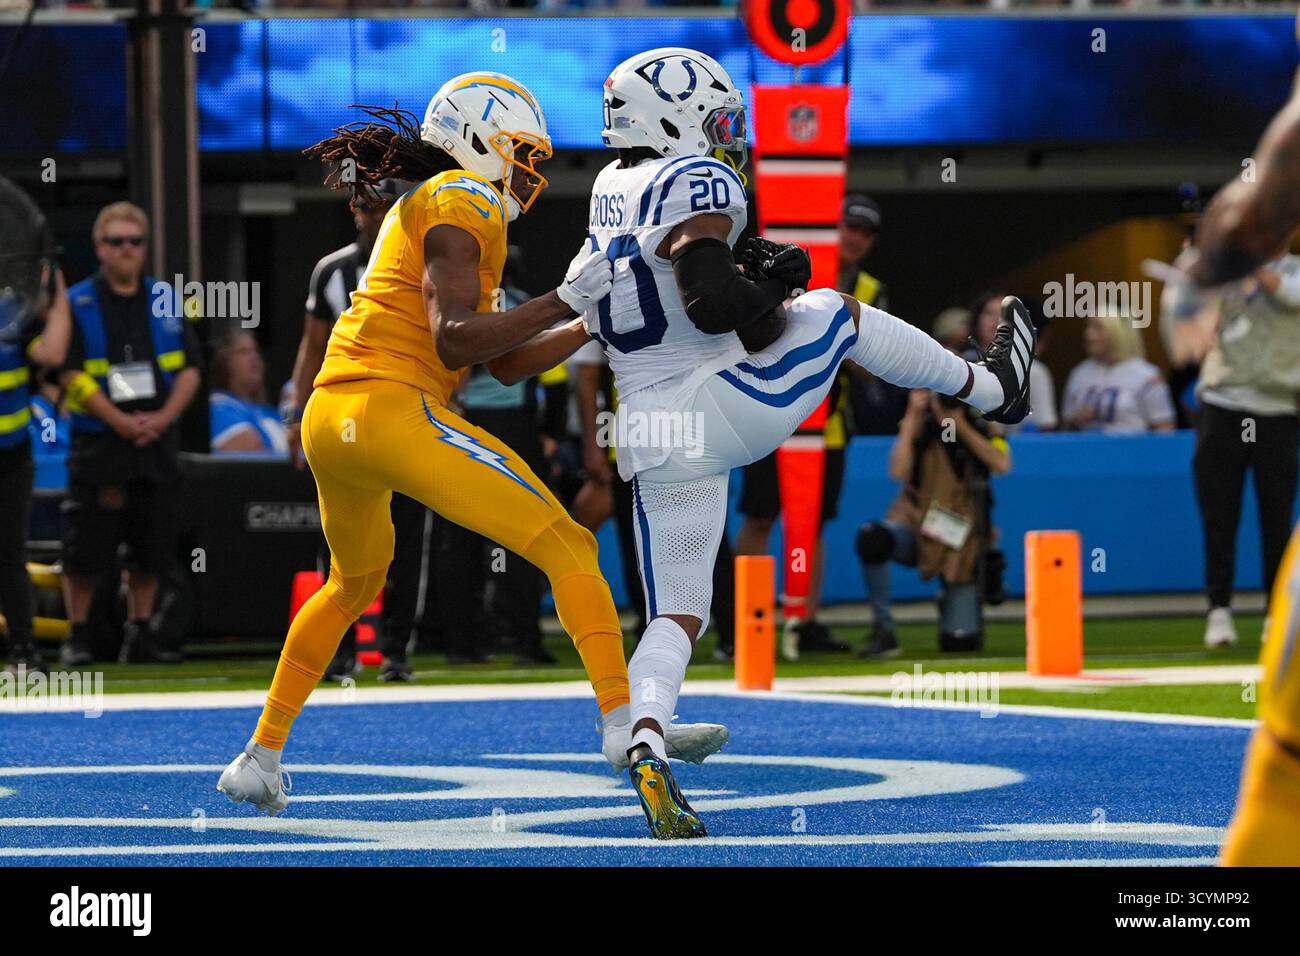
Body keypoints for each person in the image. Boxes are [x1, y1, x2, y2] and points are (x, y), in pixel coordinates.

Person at [506, 48, 1035, 838]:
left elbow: (536, 349)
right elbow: (722, 307)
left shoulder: (606, 202)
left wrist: (736, 285)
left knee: (676, 611)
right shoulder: (695, 183)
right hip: (719, 404)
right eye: (718, 121)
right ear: (675, 118)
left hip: (648, 431)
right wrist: (776, 286)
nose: (728, 137)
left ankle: (644, 735)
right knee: (838, 311)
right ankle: (993, 388)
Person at [216, 74, 727, 817]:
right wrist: (566, 295)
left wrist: (586, 321)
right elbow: (453, 339)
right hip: (394, 407)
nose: (526, 169)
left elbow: (504, 362)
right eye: (519, 150)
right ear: (480, 139)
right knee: (571, 547)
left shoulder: (440, 202)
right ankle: (624, 723)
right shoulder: (466, 196)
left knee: (352, 584)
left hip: (333, 416)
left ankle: (260, 757)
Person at [1169, 9, 1300, 866]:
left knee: (1287, 774)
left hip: (1279, 404)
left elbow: (1234, 237)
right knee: (1229, 519)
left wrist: (1213, 266)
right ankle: (1225, 613)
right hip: (1234, 403)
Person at [58, 201, 202, 666]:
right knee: (85, 547)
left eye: (134, 242)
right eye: (116, 241)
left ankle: (140, 633)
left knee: (153, 545)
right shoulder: (77, 302)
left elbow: (191, 369)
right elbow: (68, 374)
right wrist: (117, 420)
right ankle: (77, 636)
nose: (126, 250)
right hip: (100, 442)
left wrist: (162, 418)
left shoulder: (164, 299)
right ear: (99, 248)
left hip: (155, 443)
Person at [855, 384, 1011, 657]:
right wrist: (913, 416)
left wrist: (956, 423)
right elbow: (897, 471)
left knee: (959, 643)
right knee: (872, 540)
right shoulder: (920, 426)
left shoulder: (980, 421)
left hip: (961, 541)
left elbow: (1001, 463)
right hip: (919, 528)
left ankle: (951, 600)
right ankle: (884, 630)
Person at [0, 177, 72, 674]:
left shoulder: (11, 312)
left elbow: (51, 351)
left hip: (11, 454)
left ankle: (24, 650)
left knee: (9, 553)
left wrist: (57, 286)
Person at [1060, 312, 1175, 433]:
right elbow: (1064, 428)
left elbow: (1165, 430)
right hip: (1085, 449)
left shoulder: (1147, 376)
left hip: (1133, 449)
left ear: (1118, 332)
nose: (1089, 335)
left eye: (1098, 328)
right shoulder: (1079, 373)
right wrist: (1076, 419)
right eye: (1089, 327)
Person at [209, 331, 287, 455]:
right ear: (224, 363)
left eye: (256, 351)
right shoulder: (218, 406)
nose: (255, 357)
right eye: (244, 352)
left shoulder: (269, 412)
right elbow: (251, 449)